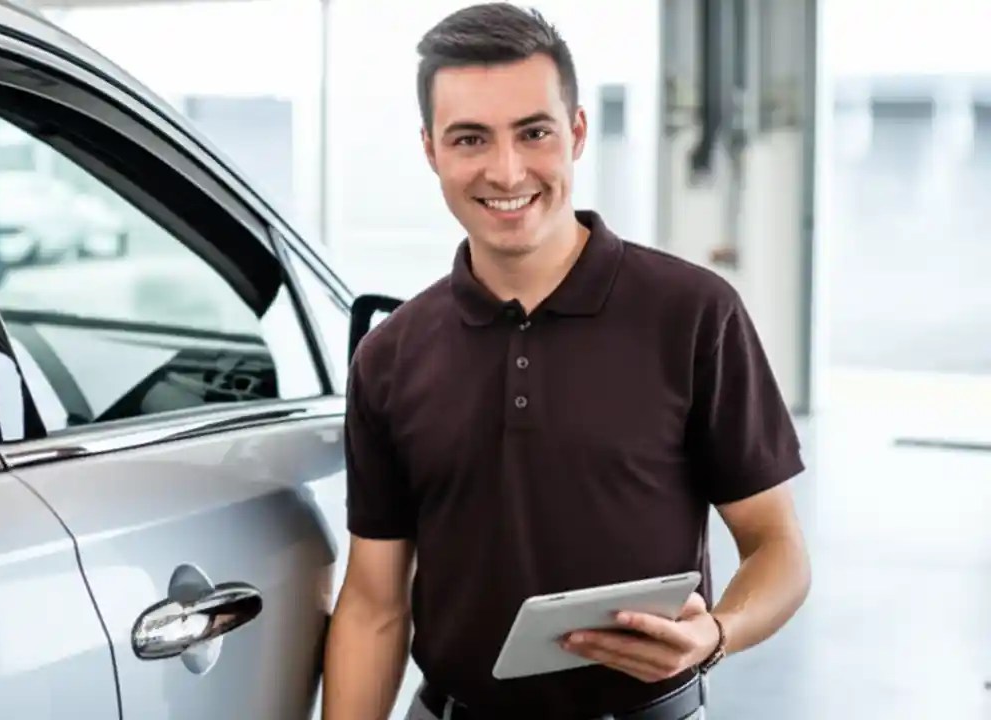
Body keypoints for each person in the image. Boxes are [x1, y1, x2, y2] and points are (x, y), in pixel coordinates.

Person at [321, 4, 812, 719]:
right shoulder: (390, 356)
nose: (506, 169)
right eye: (470, 139)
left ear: (576, 133)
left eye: (534, 132)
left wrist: (716, 632)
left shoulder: (694, 313)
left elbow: (778, 549)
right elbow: (373, 603)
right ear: (431, 150)